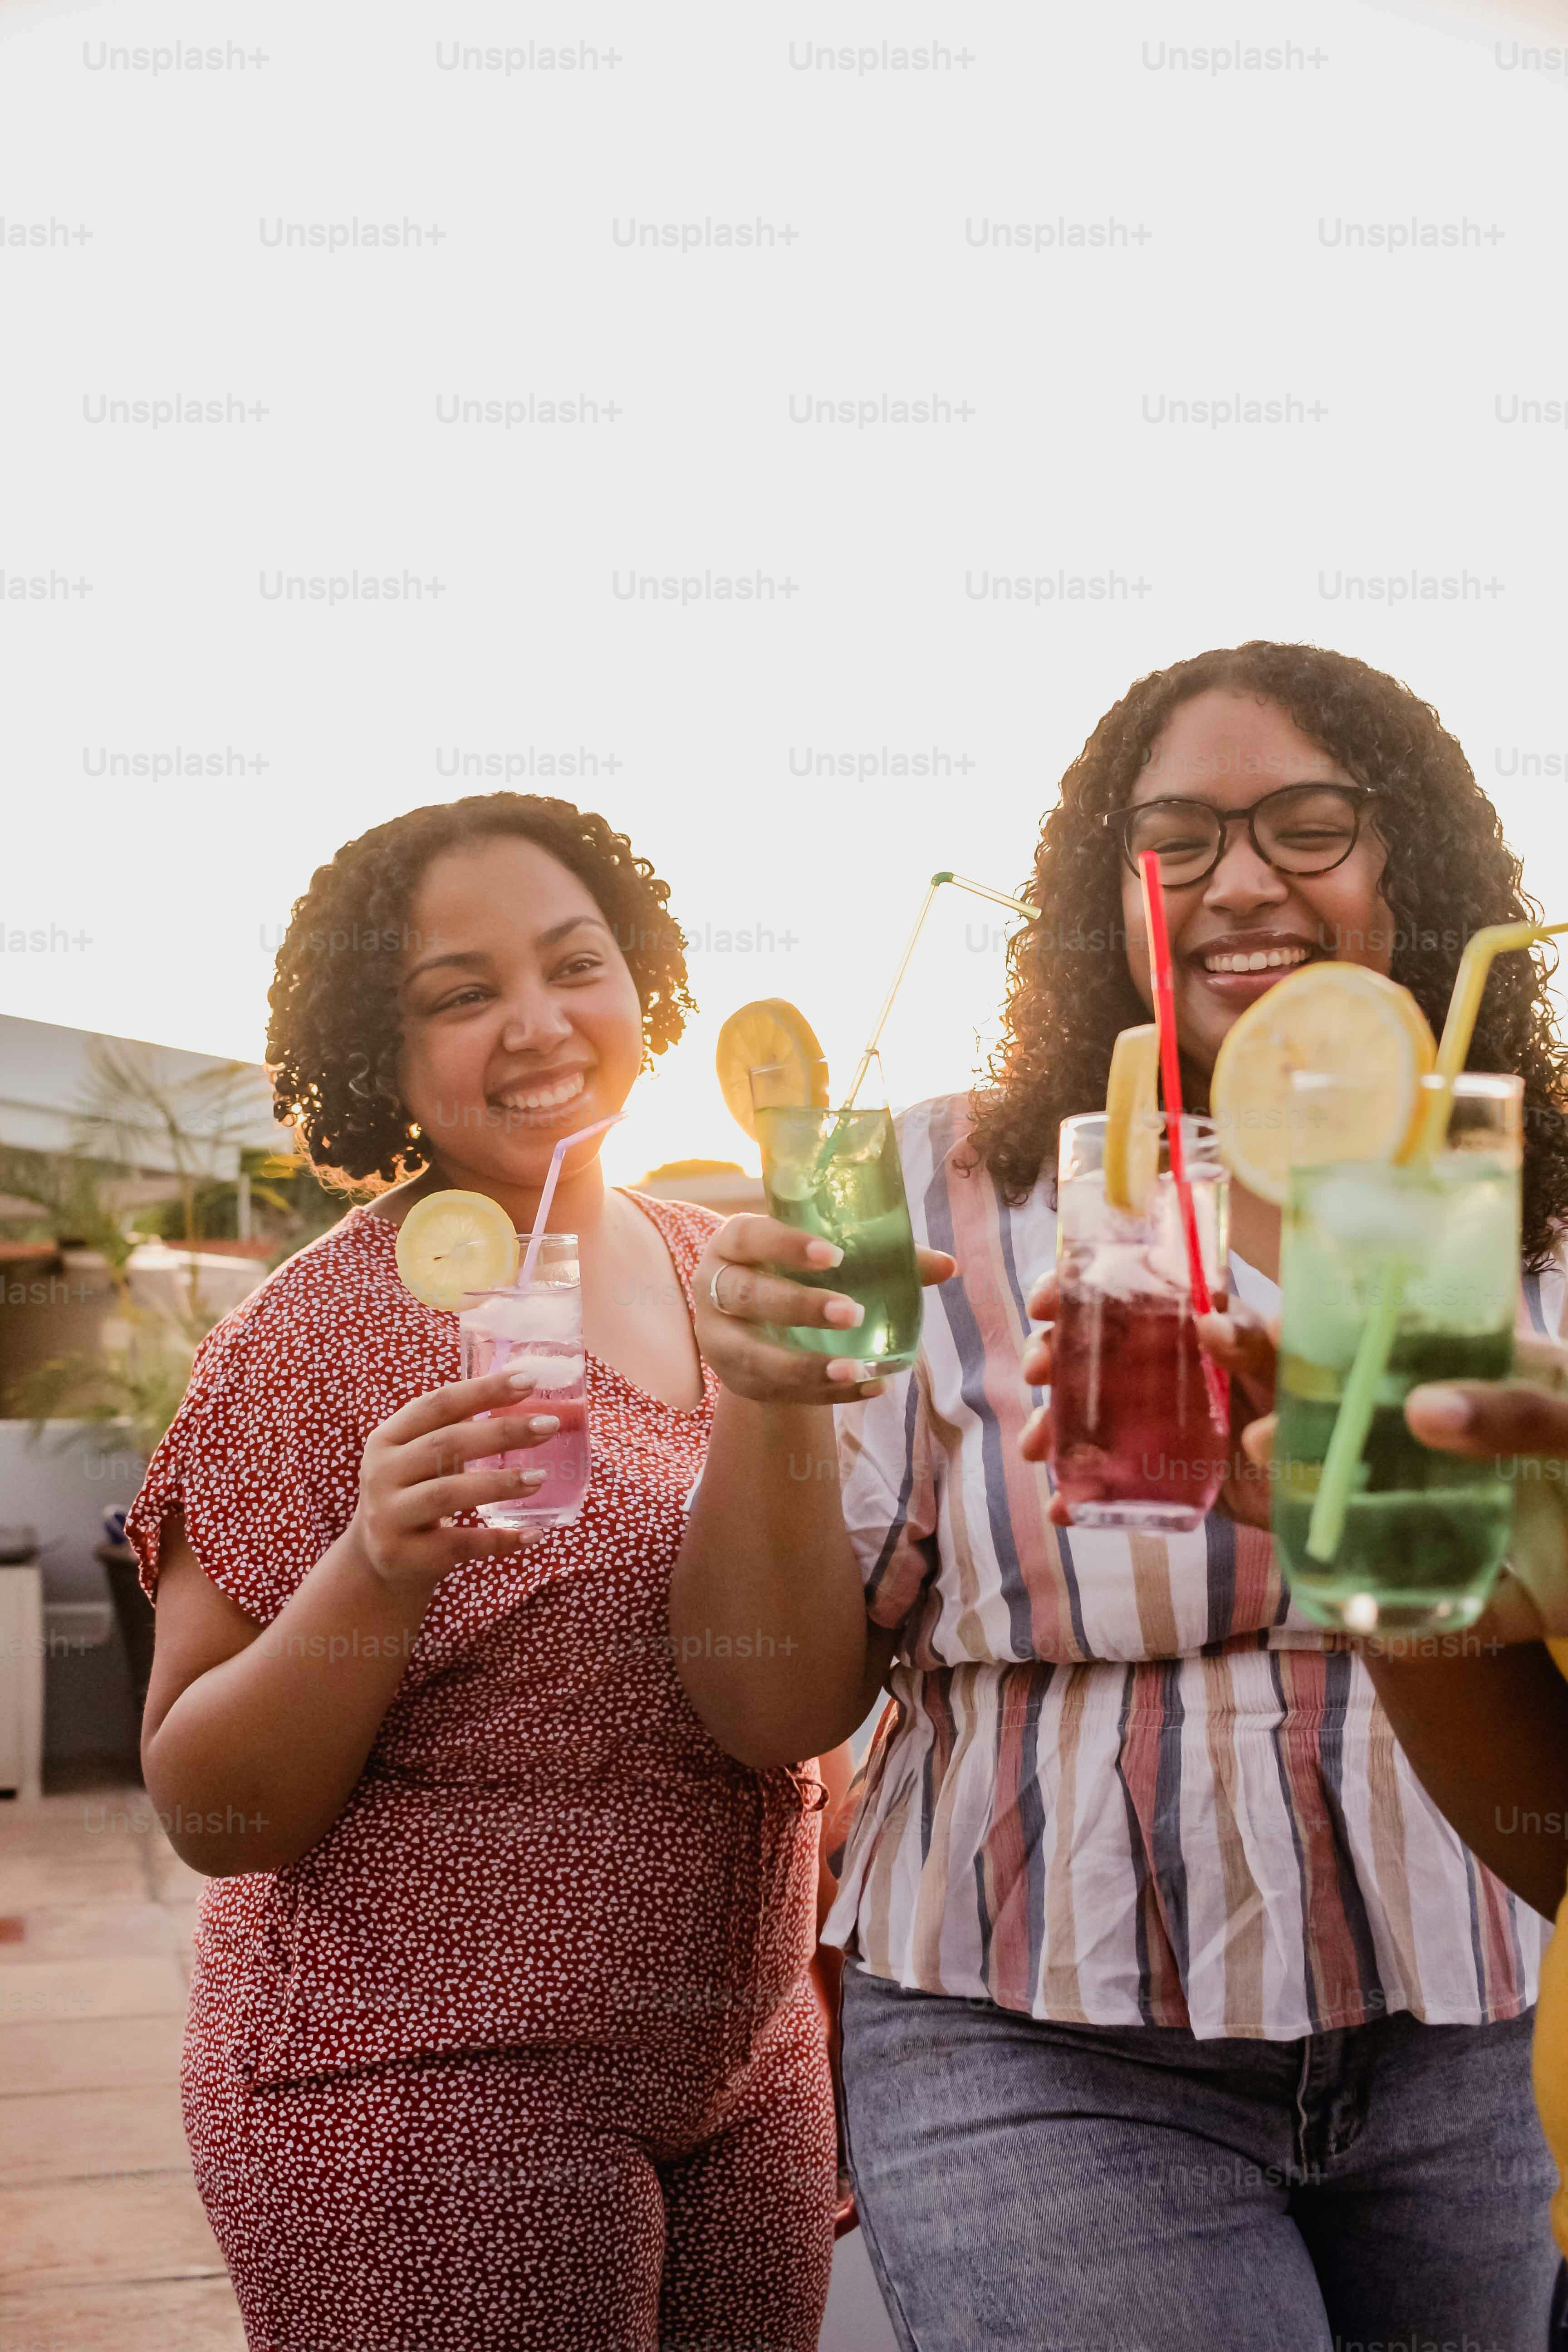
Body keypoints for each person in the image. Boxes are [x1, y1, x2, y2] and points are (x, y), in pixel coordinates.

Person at [671, 642, 1568, 2351]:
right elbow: (768, 1700)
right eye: (1179, 840)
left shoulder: (1514, 1184)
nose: (1242, 881)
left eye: (1311, 825)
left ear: (1409, 868)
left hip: (1483, 2015)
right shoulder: (922, 1178)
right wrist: (770, 1406)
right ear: (1111, 891)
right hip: (1038, 2032)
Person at [130, 793, 844, 2352]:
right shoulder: (309, 1338)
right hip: (417, 2084)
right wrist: (380, 1567)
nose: (537, 1025)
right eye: (462, 995)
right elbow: (208, 1805)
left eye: (573, 964)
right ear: (376, 1056)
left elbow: (789, 1685)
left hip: (748, 2071)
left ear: (638, 983)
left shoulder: (731, 1272)